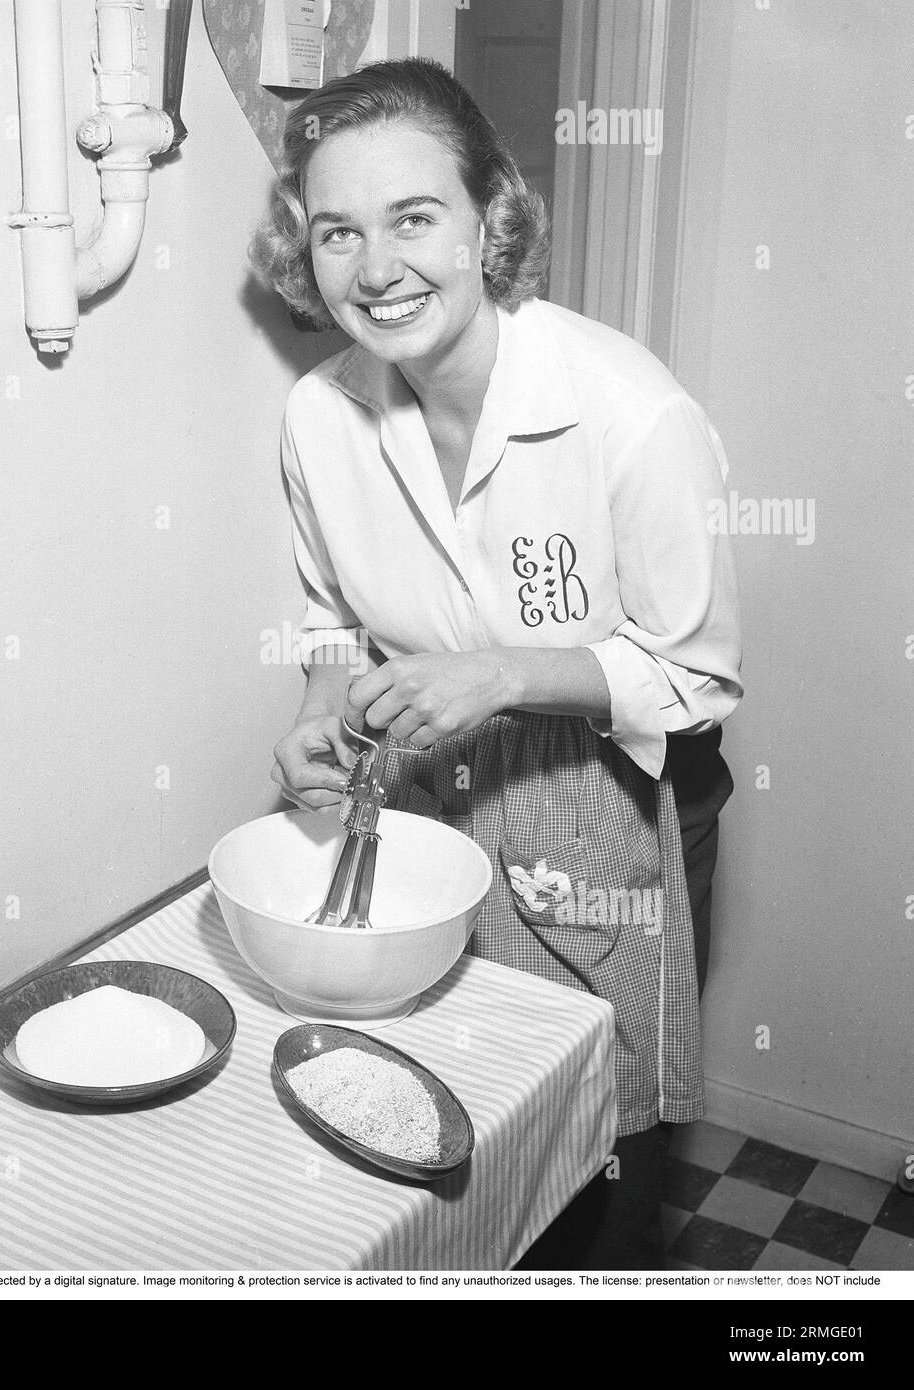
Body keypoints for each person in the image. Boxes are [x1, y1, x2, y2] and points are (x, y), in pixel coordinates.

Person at [249, 58, 741, 1269]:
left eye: (415, 217)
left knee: (597, 1150)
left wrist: (509, 672)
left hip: (630, 809)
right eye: (336, 233)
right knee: (459, 1125)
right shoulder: (319, 416)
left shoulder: (633, 415)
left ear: (491, 220)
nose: (377, 268)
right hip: (438, 797)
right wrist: (325, 699)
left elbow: (700, 679)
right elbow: (328, 608)